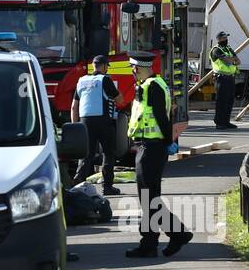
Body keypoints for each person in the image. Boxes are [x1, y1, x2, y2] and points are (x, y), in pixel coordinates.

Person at [124, 53, 191, 259]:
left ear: (139, 68)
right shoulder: (155, 84)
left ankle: (176, 234)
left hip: (151, 147)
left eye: (133, 68)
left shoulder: (151, 87)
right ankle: (150, 244)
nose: (132, 71)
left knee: (149, 198)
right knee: (150, 198)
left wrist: (168, 141)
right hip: (150, 147)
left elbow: (162, 117)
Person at [70, 55, 121, 195]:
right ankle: (107, 187)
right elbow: (119, 99)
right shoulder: (105, 79)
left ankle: (78, 183)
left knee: (87, 154)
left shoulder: (81, 80)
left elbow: (74, 107)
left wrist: (75, 127)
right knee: (108, 153)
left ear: (93, 66)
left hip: (85, 121)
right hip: (103, 120)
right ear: (104, 66)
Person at [209, 31, 240, 129]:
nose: (226, 39)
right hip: (221, 78)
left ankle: (226, 121)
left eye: (226, 38)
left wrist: (231, 60)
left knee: (229, 101)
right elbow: (228, 62)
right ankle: (219, 122)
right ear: (219, 39)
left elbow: (238, 61)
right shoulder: (216, 50)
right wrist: (232, 60)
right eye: (224, 38)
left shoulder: (228, 48)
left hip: (230, 77)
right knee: (221, 101)